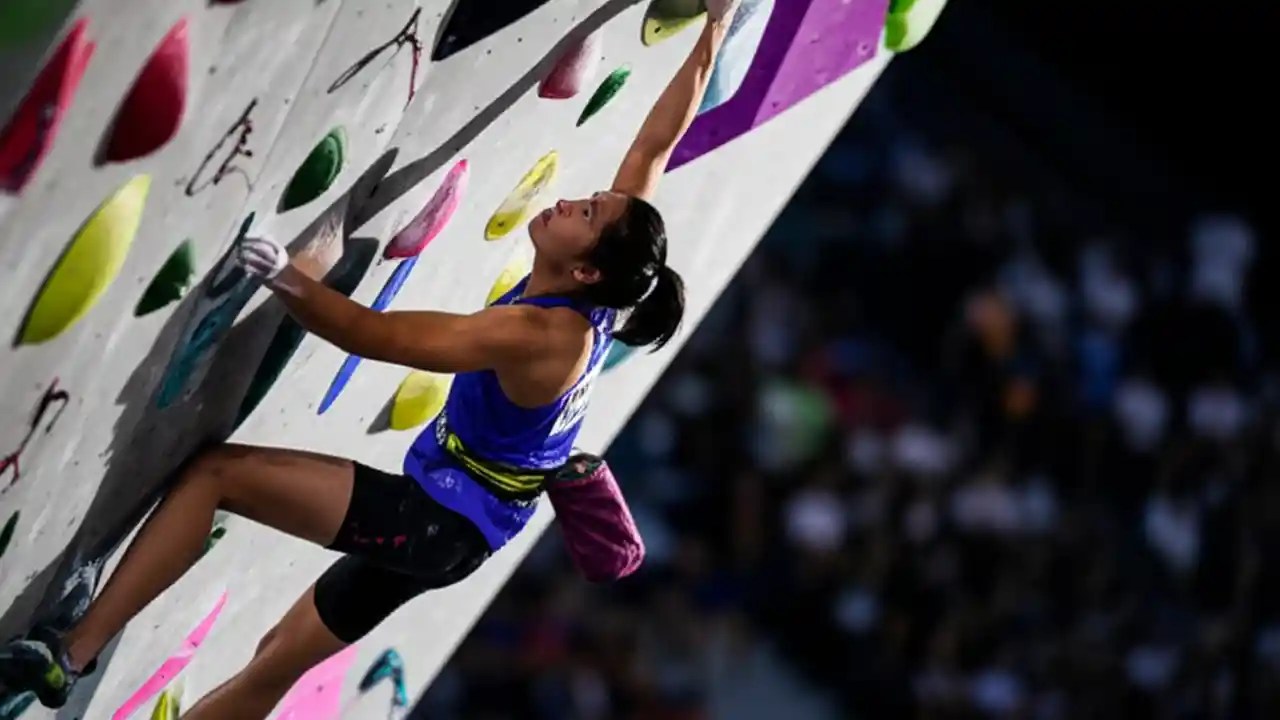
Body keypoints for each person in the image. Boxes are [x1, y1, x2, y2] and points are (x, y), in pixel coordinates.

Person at [0, 3, 741, 716]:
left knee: (217, 477)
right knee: (275, 657)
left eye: (586, 214)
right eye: (590, 199)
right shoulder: (606, 288)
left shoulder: (538, 335)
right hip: (465, 527)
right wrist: (716, 23)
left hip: (435, 520)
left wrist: (288, 278)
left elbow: (374, 336)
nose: (572, 202)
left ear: (585, 269)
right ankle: (76, 657)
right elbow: (652, 148)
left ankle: (70, 654)